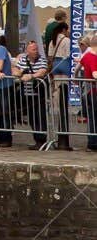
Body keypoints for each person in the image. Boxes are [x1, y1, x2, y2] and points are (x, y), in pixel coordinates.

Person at [13, 40, 50, 149]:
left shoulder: (42, 60)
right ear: (27, 51)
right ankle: (37, 140)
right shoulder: (23, 59)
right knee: (32, 118)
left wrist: (31, 76)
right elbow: (15, 69)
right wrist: (19, 73)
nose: (36, 51)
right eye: (33, 49)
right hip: (27, 94)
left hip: (39, 94)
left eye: (36, 49)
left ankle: (42, 140)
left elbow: (42, 71)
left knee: (40, 117)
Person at [48, 18, 72, 150]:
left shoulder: (52, 41)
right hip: (64, 65)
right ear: (64, 29)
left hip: (55, 66)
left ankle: (57, 104)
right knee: (64, 87)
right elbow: (68, 55)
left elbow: (50, 56)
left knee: (57, 89)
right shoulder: (67, 40)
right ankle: (64, 139)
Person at [79, 34, 97, 151]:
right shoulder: (93, 58)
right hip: (94, 91)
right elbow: (95, 74)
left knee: (92, 118)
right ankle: (93, 143)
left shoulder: (86, 56)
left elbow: (77, 68)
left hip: (89, 92)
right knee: (94, 118)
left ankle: (92, 142)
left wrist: (76, 79)